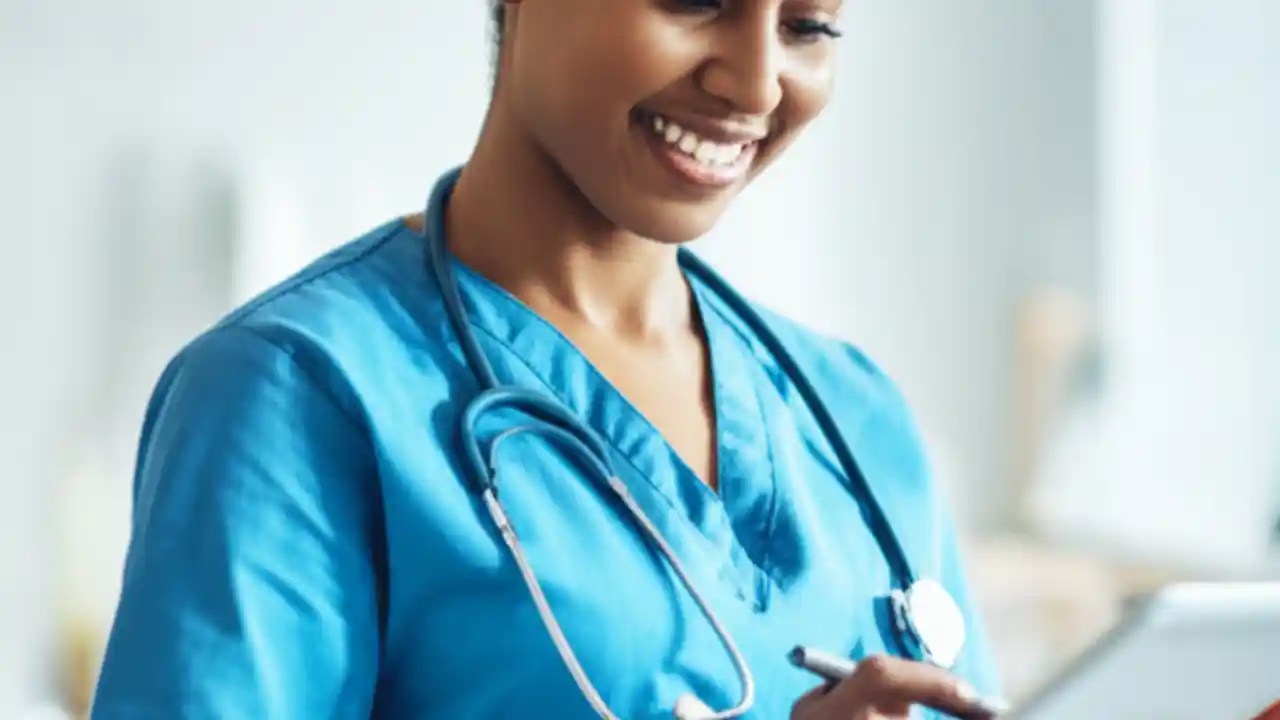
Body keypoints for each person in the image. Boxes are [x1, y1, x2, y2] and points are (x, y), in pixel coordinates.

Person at [92, 1, 1002, 718]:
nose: (757, 83)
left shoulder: (853, 415)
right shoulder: (298, 395)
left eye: (808, 25)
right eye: (693, 1)